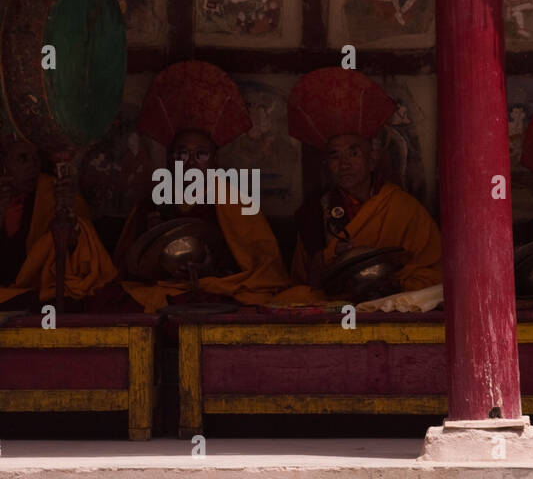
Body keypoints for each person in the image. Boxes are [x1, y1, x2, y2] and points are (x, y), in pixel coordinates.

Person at [116, 61, 291, 312]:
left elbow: (260, 266)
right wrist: (153, 252)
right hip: (166, 287)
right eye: (182, 153)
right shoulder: (154, 200)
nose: (190, 162)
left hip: (217, 285)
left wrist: (212, 268)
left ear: (215, 161)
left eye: (201, 154)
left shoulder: (233, 201)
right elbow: (130, 263)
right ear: (169, 160)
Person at [273, 68, 441, 306]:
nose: (344, 164)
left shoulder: (403, 208)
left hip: (390, 297)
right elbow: (305, 278)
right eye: (334, 156)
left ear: (372, 159)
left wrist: (391, 280)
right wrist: (331, 255)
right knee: (294, 297)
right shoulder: (315, 211)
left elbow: (433, 271)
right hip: (335, 301)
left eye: (354, 153)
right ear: (327, 165)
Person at [0, 135, 129, 311]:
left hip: (39, 290)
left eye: (36, 159)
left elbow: (78, 253)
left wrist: (67, 209)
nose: (32, 166)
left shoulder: (54, 192)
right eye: (23, 159)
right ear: (3, 163)